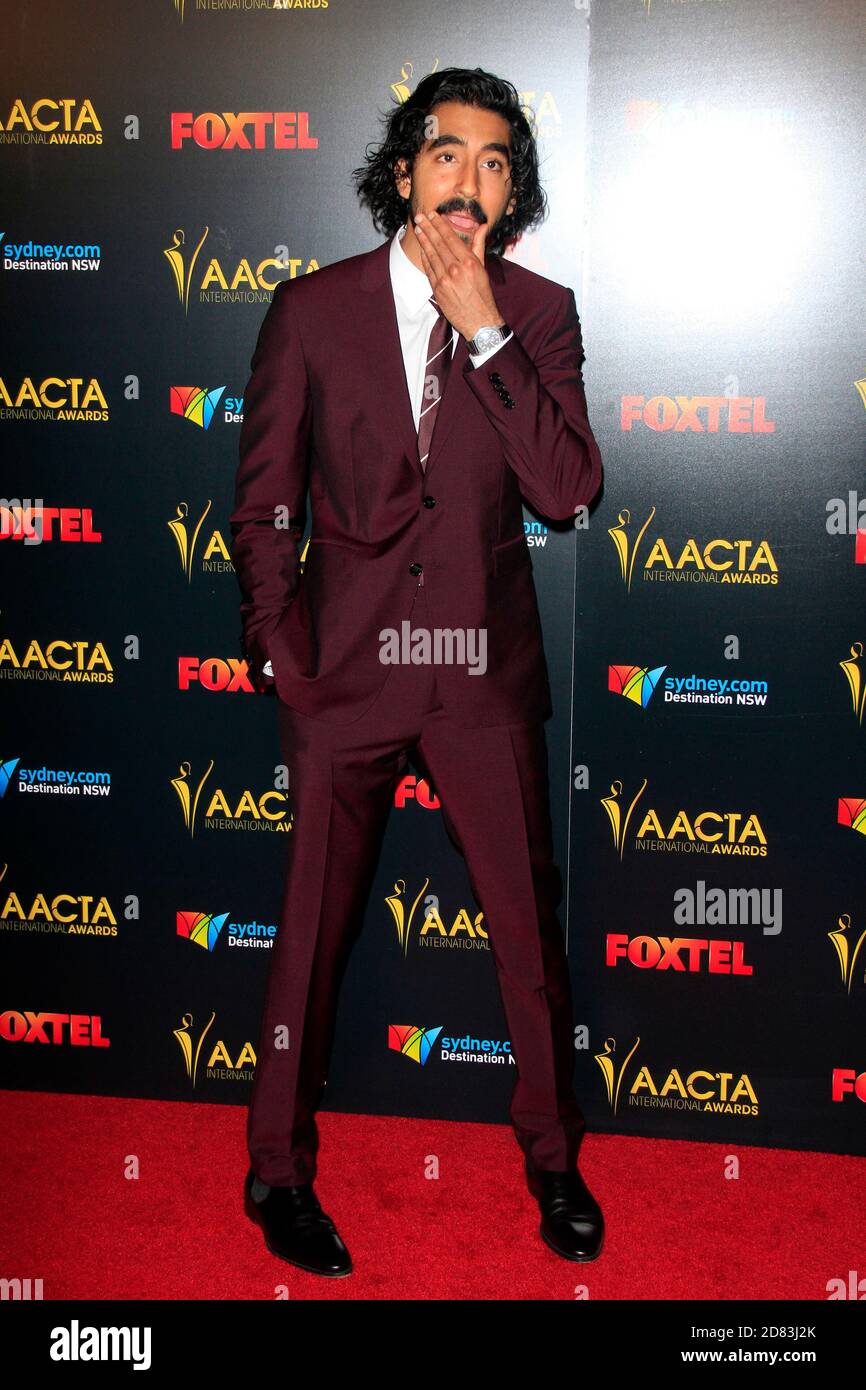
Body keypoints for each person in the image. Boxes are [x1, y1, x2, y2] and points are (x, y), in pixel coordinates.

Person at [230, 66, 604, 1277]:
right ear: (403, 169)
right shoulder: (311, 310)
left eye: (496, 162)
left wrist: (483, 327)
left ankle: (554, 1159)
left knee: (523, 941)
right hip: (345, 673)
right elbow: (263, 504)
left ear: (511, 192)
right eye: (448, 153)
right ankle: (276, 1171)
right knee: (309, 937)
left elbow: (565, 490)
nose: (469, 180)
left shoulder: (537, 313)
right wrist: (283, 647)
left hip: (481, 674)